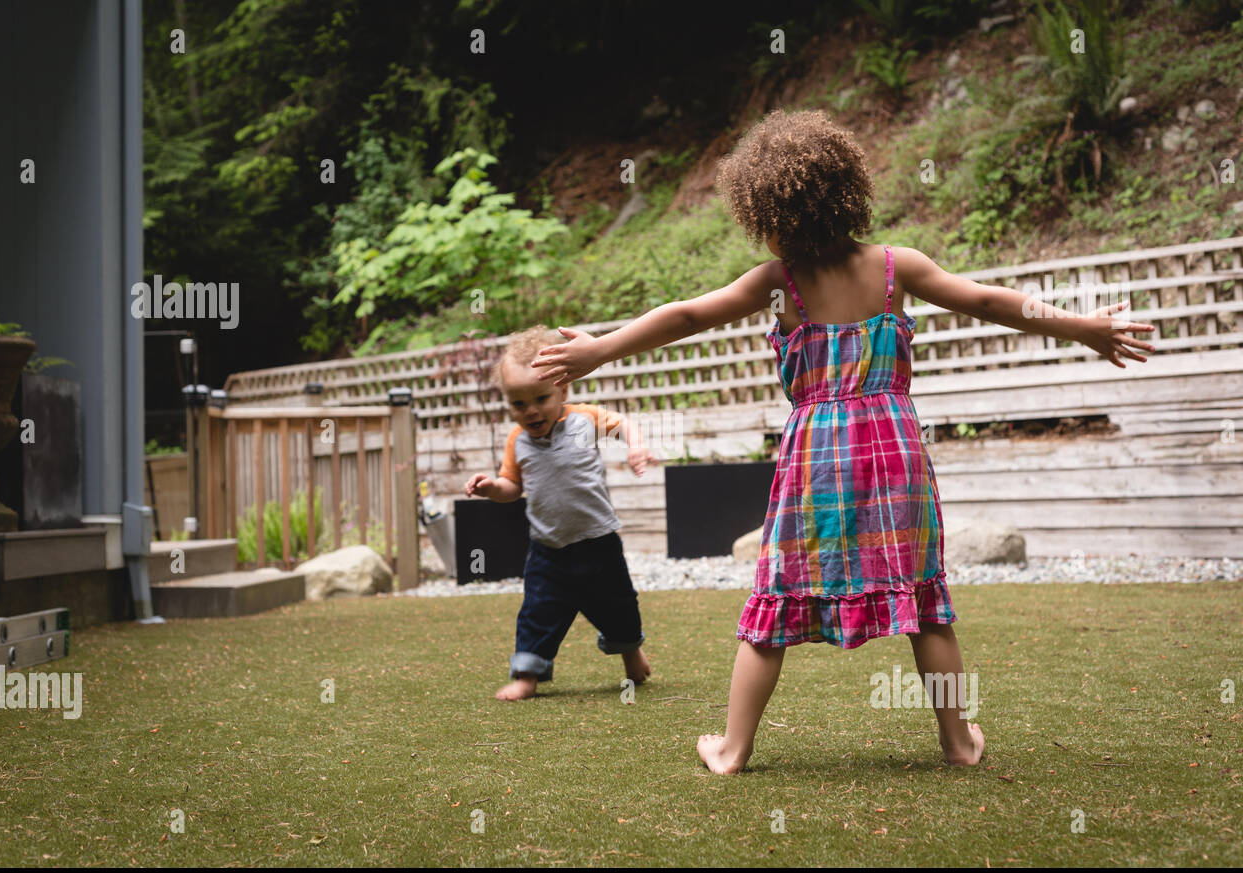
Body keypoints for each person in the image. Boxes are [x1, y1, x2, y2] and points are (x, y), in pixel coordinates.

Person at [529, 109, 1156, 772]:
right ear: (847, 191)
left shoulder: (780, 284)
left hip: (817, 461)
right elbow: (992, 301)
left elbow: (686, 315)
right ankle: (957, 740)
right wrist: (1083, 328)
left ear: (769, 213)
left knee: (778, 593)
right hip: (894, 454)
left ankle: (734, 748)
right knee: (926, 602)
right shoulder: (895, 267)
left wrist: (600, 350)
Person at [465, 324, 656, 701]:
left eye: (540, 398)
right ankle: (527, 677)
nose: (531, 411)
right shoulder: (517, 441)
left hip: (599, 541)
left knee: (619, 604)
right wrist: (490, 489)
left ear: (562, 389)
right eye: (519, 404)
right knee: (537, 612)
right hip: (548, 550)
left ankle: (631, 653)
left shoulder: (584, 419)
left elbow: (624, 424)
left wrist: (636, 446)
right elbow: (512, 487)